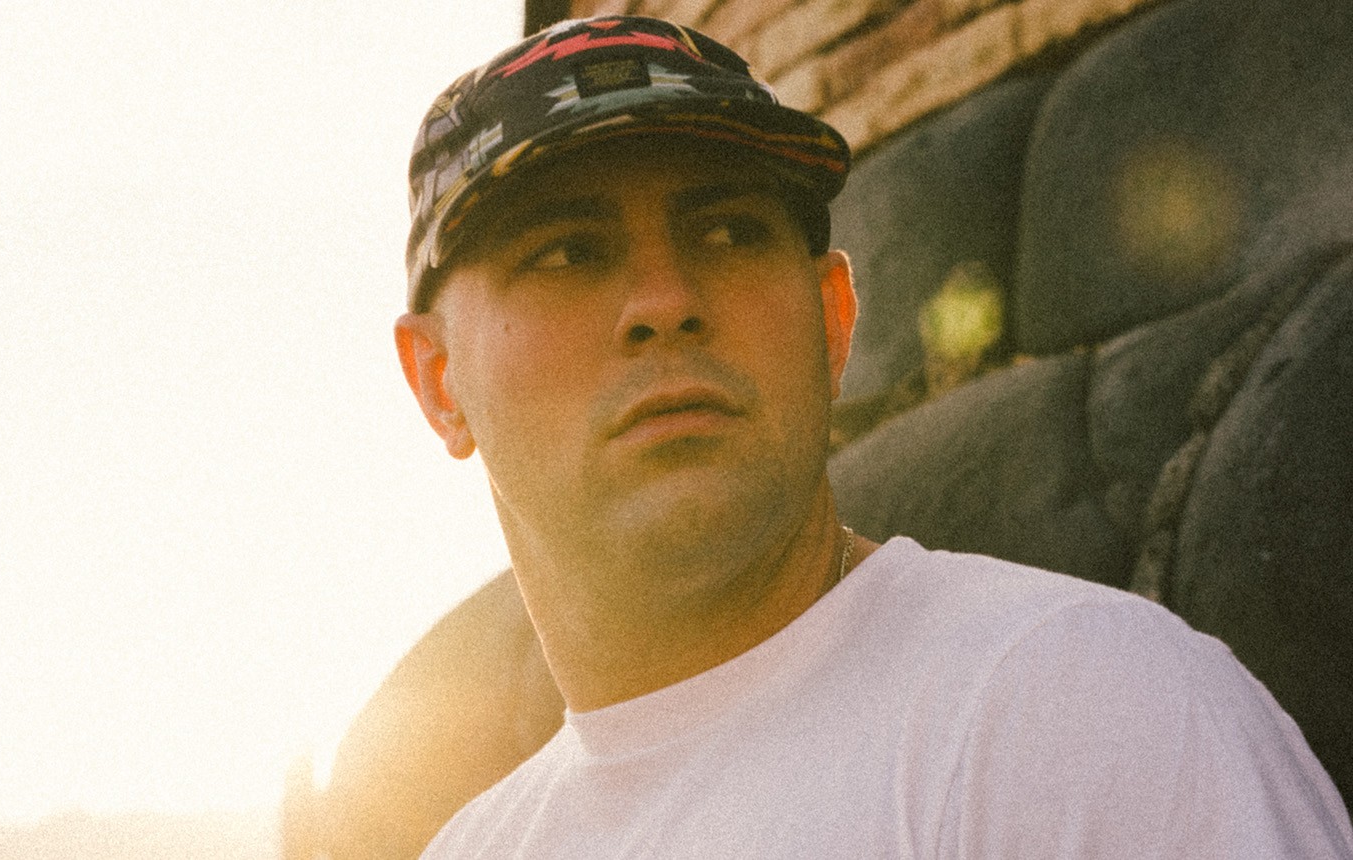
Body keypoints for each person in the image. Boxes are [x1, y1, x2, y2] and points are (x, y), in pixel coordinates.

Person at [389, 15, 1353, 858]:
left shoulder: (1078, 708)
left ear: (834, 318)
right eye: (568, 253)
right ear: (438, 381)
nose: (665, 301)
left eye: (727, 232)